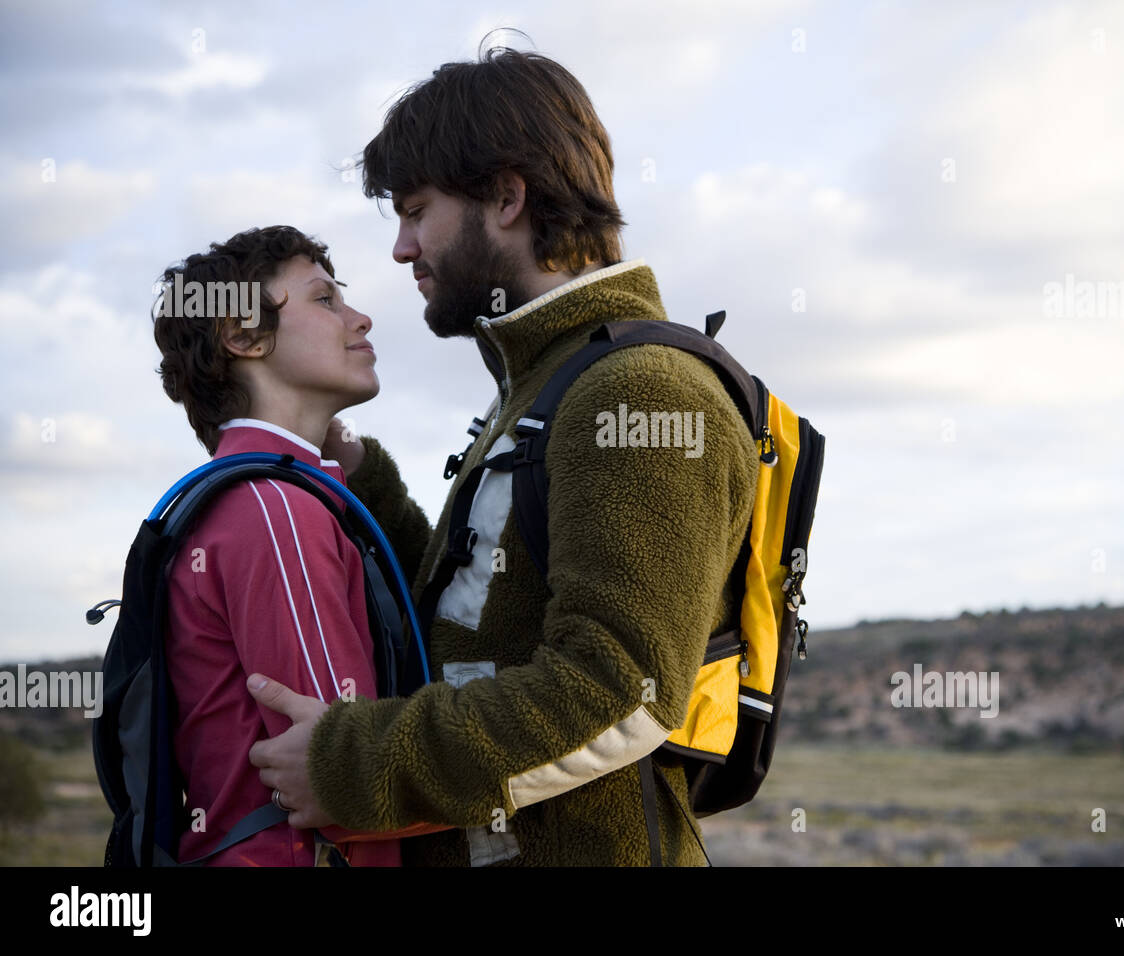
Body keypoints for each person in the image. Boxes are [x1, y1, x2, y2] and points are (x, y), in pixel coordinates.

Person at [247, 41, 759, 866]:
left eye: (416, 210)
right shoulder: (547, 381)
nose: (402, 249)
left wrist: (354, 762)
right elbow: (476, 626)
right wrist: (367, 483)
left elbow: (619, 689)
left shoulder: (640, 391)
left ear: (507, 198)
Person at [153, 225, 444, 865]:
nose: (361, 317)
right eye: (324, 300)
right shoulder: (276, 509)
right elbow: (344, 779)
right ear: (242, 335)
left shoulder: (250, 496)